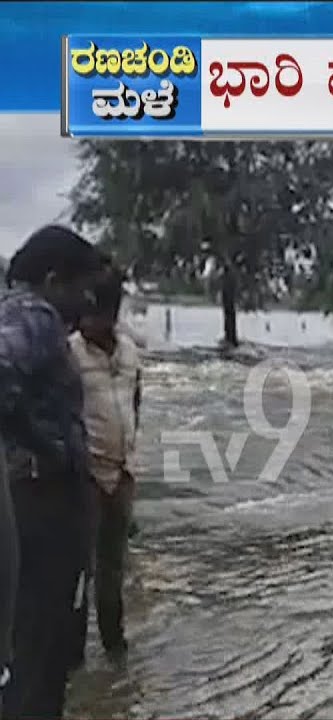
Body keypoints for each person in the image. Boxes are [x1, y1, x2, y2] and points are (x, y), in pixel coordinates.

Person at [1, 225, 103, 720]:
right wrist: (50, 447)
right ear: (52, 278)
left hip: (33, 497)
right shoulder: (34, 316)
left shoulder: (14, 312)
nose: (88, 300)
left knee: (31, 646)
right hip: (43, 502)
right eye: (81, 286)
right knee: (40, 653)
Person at [68, 266, 140, 660]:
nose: (93, 322)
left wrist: (130, 449)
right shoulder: (70, 353)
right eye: (89, 314)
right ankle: (74, 656)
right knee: (82, 570)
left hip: (123, 472)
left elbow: (135, 401)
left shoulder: (130, 351)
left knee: (114, 567)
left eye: (102, 314)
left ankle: (115, 647)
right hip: (87, 477)